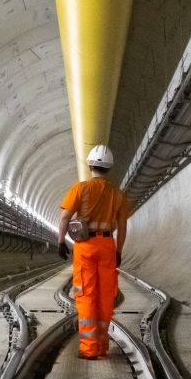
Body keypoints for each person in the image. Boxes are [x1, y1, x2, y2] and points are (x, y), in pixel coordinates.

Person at [57, 144, 129, 360]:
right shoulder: (117, 194)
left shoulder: (80, 189)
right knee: (105, 296)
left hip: (85, 247)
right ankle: (102, 344)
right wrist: (119, 250)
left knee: (87, 295)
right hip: (107, 246)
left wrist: (61, 240)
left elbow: (64, 218)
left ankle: (89, 349)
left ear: (90, 165)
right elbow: (123, 226)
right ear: (110, 168)